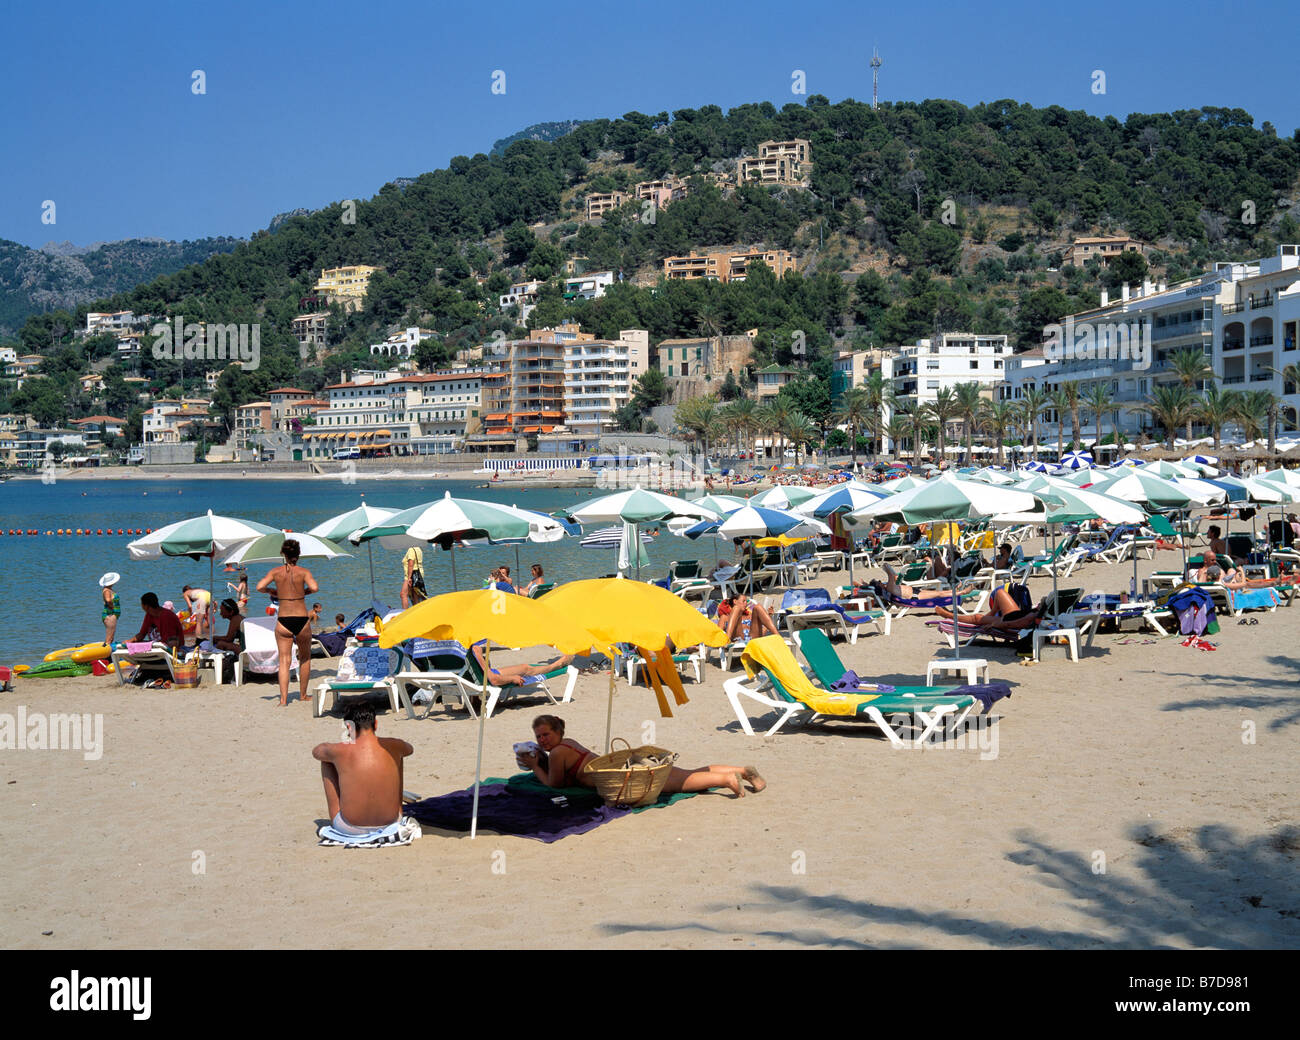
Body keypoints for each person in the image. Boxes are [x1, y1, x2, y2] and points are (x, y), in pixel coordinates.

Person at [519, 715, 764, 798]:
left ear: (558, 732)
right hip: (626, 765)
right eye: (538, 737)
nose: (542, 740)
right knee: (685, 773)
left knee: (680, 783)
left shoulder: (558, 753)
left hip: (626, 778)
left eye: (546, 735)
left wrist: (534, 766)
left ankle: (726, 780)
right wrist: (541, 756)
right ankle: (742, 770)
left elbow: (555, 784)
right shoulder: (568, 744)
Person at [312, 702, 413, 834]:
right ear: (375, 724)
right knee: (397, 756)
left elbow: (317, 751)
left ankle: (340, 810)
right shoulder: (393, 744)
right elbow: (409, 749)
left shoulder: (340, 750)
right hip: (392, 822)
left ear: (349, 727)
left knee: (326, 761)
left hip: (351, 827)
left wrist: (346, 743)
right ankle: (396, 806)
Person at [257, 539, 319, 707]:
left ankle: (283, 700)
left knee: (284, 660)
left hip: (283, 620)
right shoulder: (303, 572)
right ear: (298, 554)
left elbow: (259, 587)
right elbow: (315, 588)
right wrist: (303, 591)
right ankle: (303, 695)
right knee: (305, 658)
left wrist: (273, 591)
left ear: (283, 554)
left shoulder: (276, 572)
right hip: (301, 619)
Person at [470, 640, 572, 686]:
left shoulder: (459, 649)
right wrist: (513, 678)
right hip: (485, 678)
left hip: (471, 679)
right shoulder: (475, 649)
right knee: (527, 670)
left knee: (525, 668)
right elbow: (494, 680)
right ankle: (557, 665)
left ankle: (556, 664)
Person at [99, 572, 121, 646]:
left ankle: (107, 652)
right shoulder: (107, 591)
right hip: (110, 615)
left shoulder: (108, 589)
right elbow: (108, 600)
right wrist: (112, 606)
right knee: (109, 638)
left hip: (112, 615)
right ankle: (106, 653)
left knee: (111, 637)